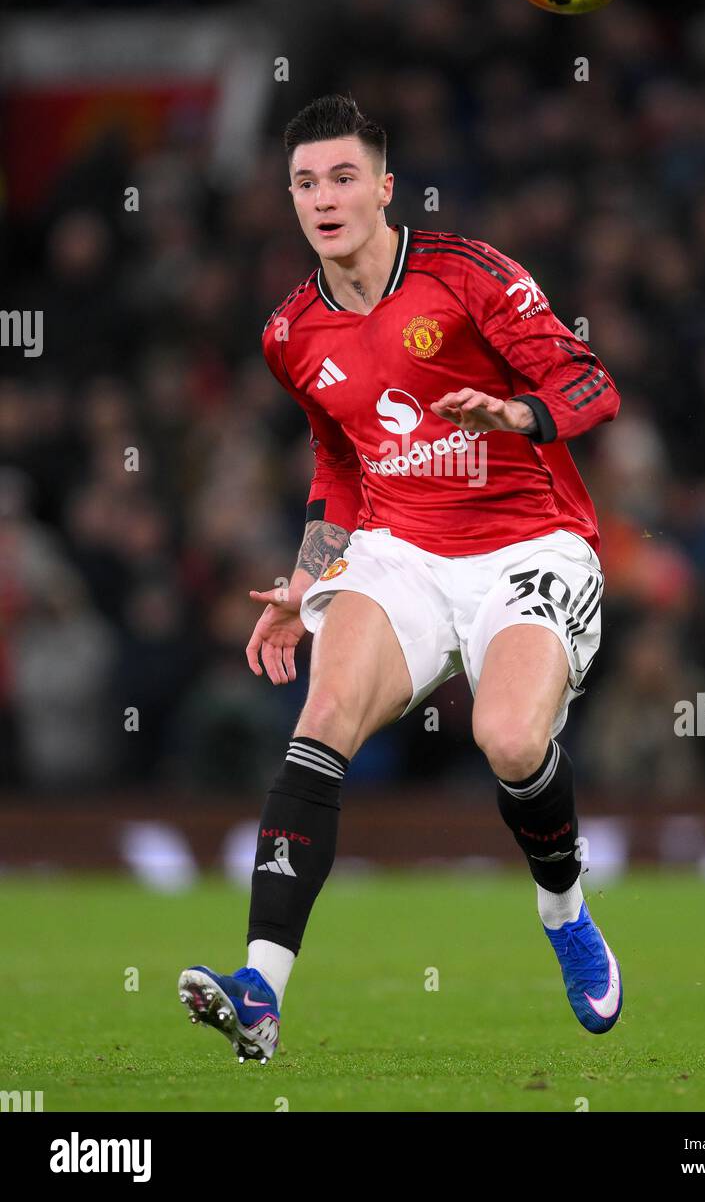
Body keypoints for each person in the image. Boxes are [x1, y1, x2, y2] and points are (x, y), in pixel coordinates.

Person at [178, 94, 623, 1062]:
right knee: (322, 719)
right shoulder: (289, 334)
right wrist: (306, 581)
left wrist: (516, 415)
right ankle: (260, 987)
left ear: (384, 188)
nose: (323, 198)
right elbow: (339, 463)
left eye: (343, 177)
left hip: (527, 542)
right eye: (305, 182)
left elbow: (590, 382)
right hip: (400, 551)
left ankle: (563, 910)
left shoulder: (470, 275)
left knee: (509, 738)